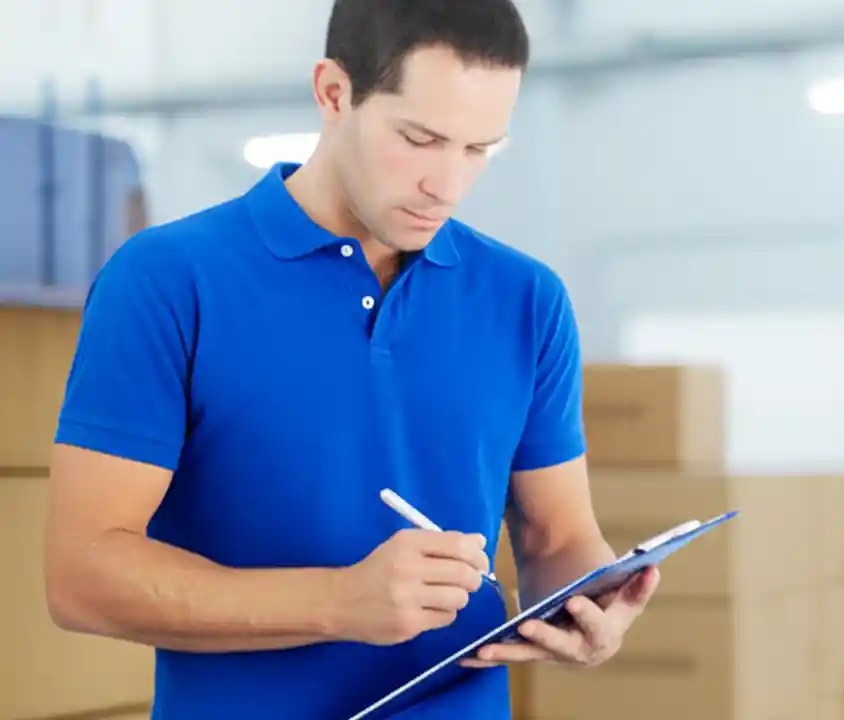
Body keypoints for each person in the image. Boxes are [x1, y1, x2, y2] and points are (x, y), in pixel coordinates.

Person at [42, 1, 659, 718]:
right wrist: (337, 601)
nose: (448, 185)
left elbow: (558, 537)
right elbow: (81, 577)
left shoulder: (527, 300)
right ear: (334, 92)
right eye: (421, 139)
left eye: (479, 149)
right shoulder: (167, 280)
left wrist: (591, 607)